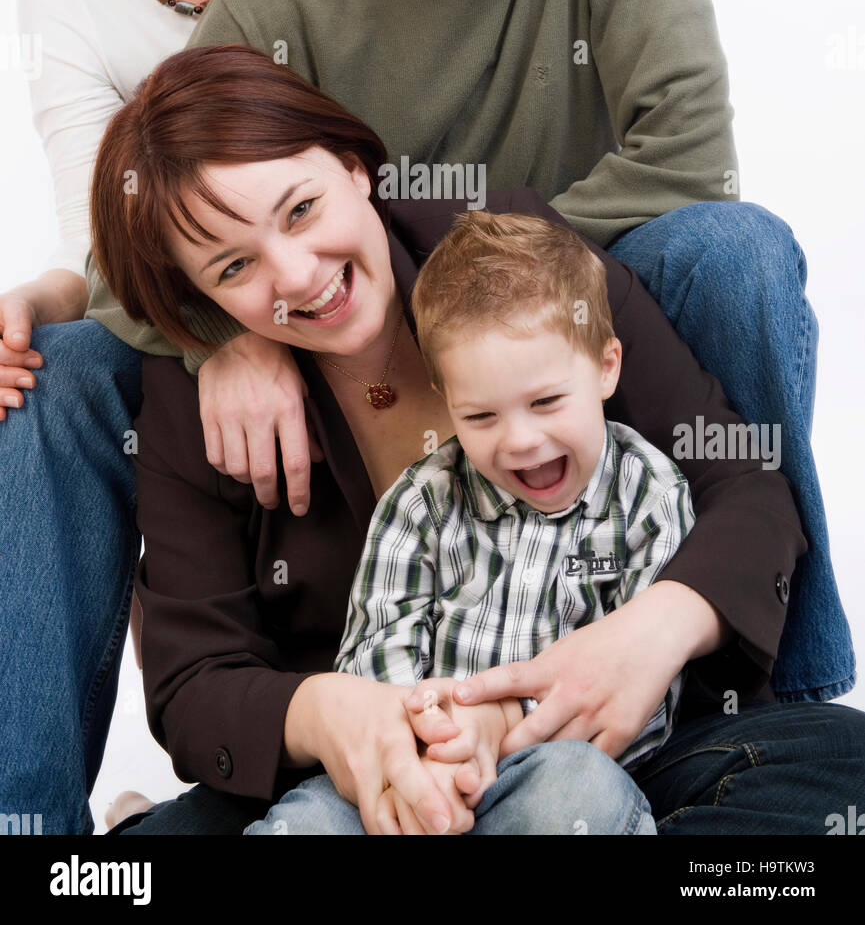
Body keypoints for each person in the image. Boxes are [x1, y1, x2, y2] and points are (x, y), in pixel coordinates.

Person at [88, 0, 853, 705]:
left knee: (734, 249)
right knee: (70, 367)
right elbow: (146, 243)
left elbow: (688, 153)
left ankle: (775, 687)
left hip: (581, 308)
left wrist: (484, 275)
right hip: (363, 336)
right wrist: (224, 338)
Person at [83, 49, 853, 837]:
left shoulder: (511, 254)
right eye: (235, 266)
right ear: (200, 297)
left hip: (609, 757)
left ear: (354, 169)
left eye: (301, 210)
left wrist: (650, 630)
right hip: (351, 787)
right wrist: (333, 714)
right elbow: (193, 682)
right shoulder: (195, 395)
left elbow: (744, 485)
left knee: (839, 771)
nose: (296, 274)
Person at [0, 0, 365, 835]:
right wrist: (223, 342)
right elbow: (103, 249)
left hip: (371, 267)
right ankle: (25, 822)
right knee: (51, 375)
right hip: (202, 304)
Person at [244, 210, 694, 835]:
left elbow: (646, 701)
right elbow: (377, 647)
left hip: (551, 768)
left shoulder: (649, 494)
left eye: (546, 401)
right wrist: (430, 748)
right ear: (445, 397)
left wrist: (504, 725)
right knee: (311, 821)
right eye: (481, 416)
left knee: (582, 795)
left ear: (605, 366)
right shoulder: (424, 499)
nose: (520, 440)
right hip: (417, 764)